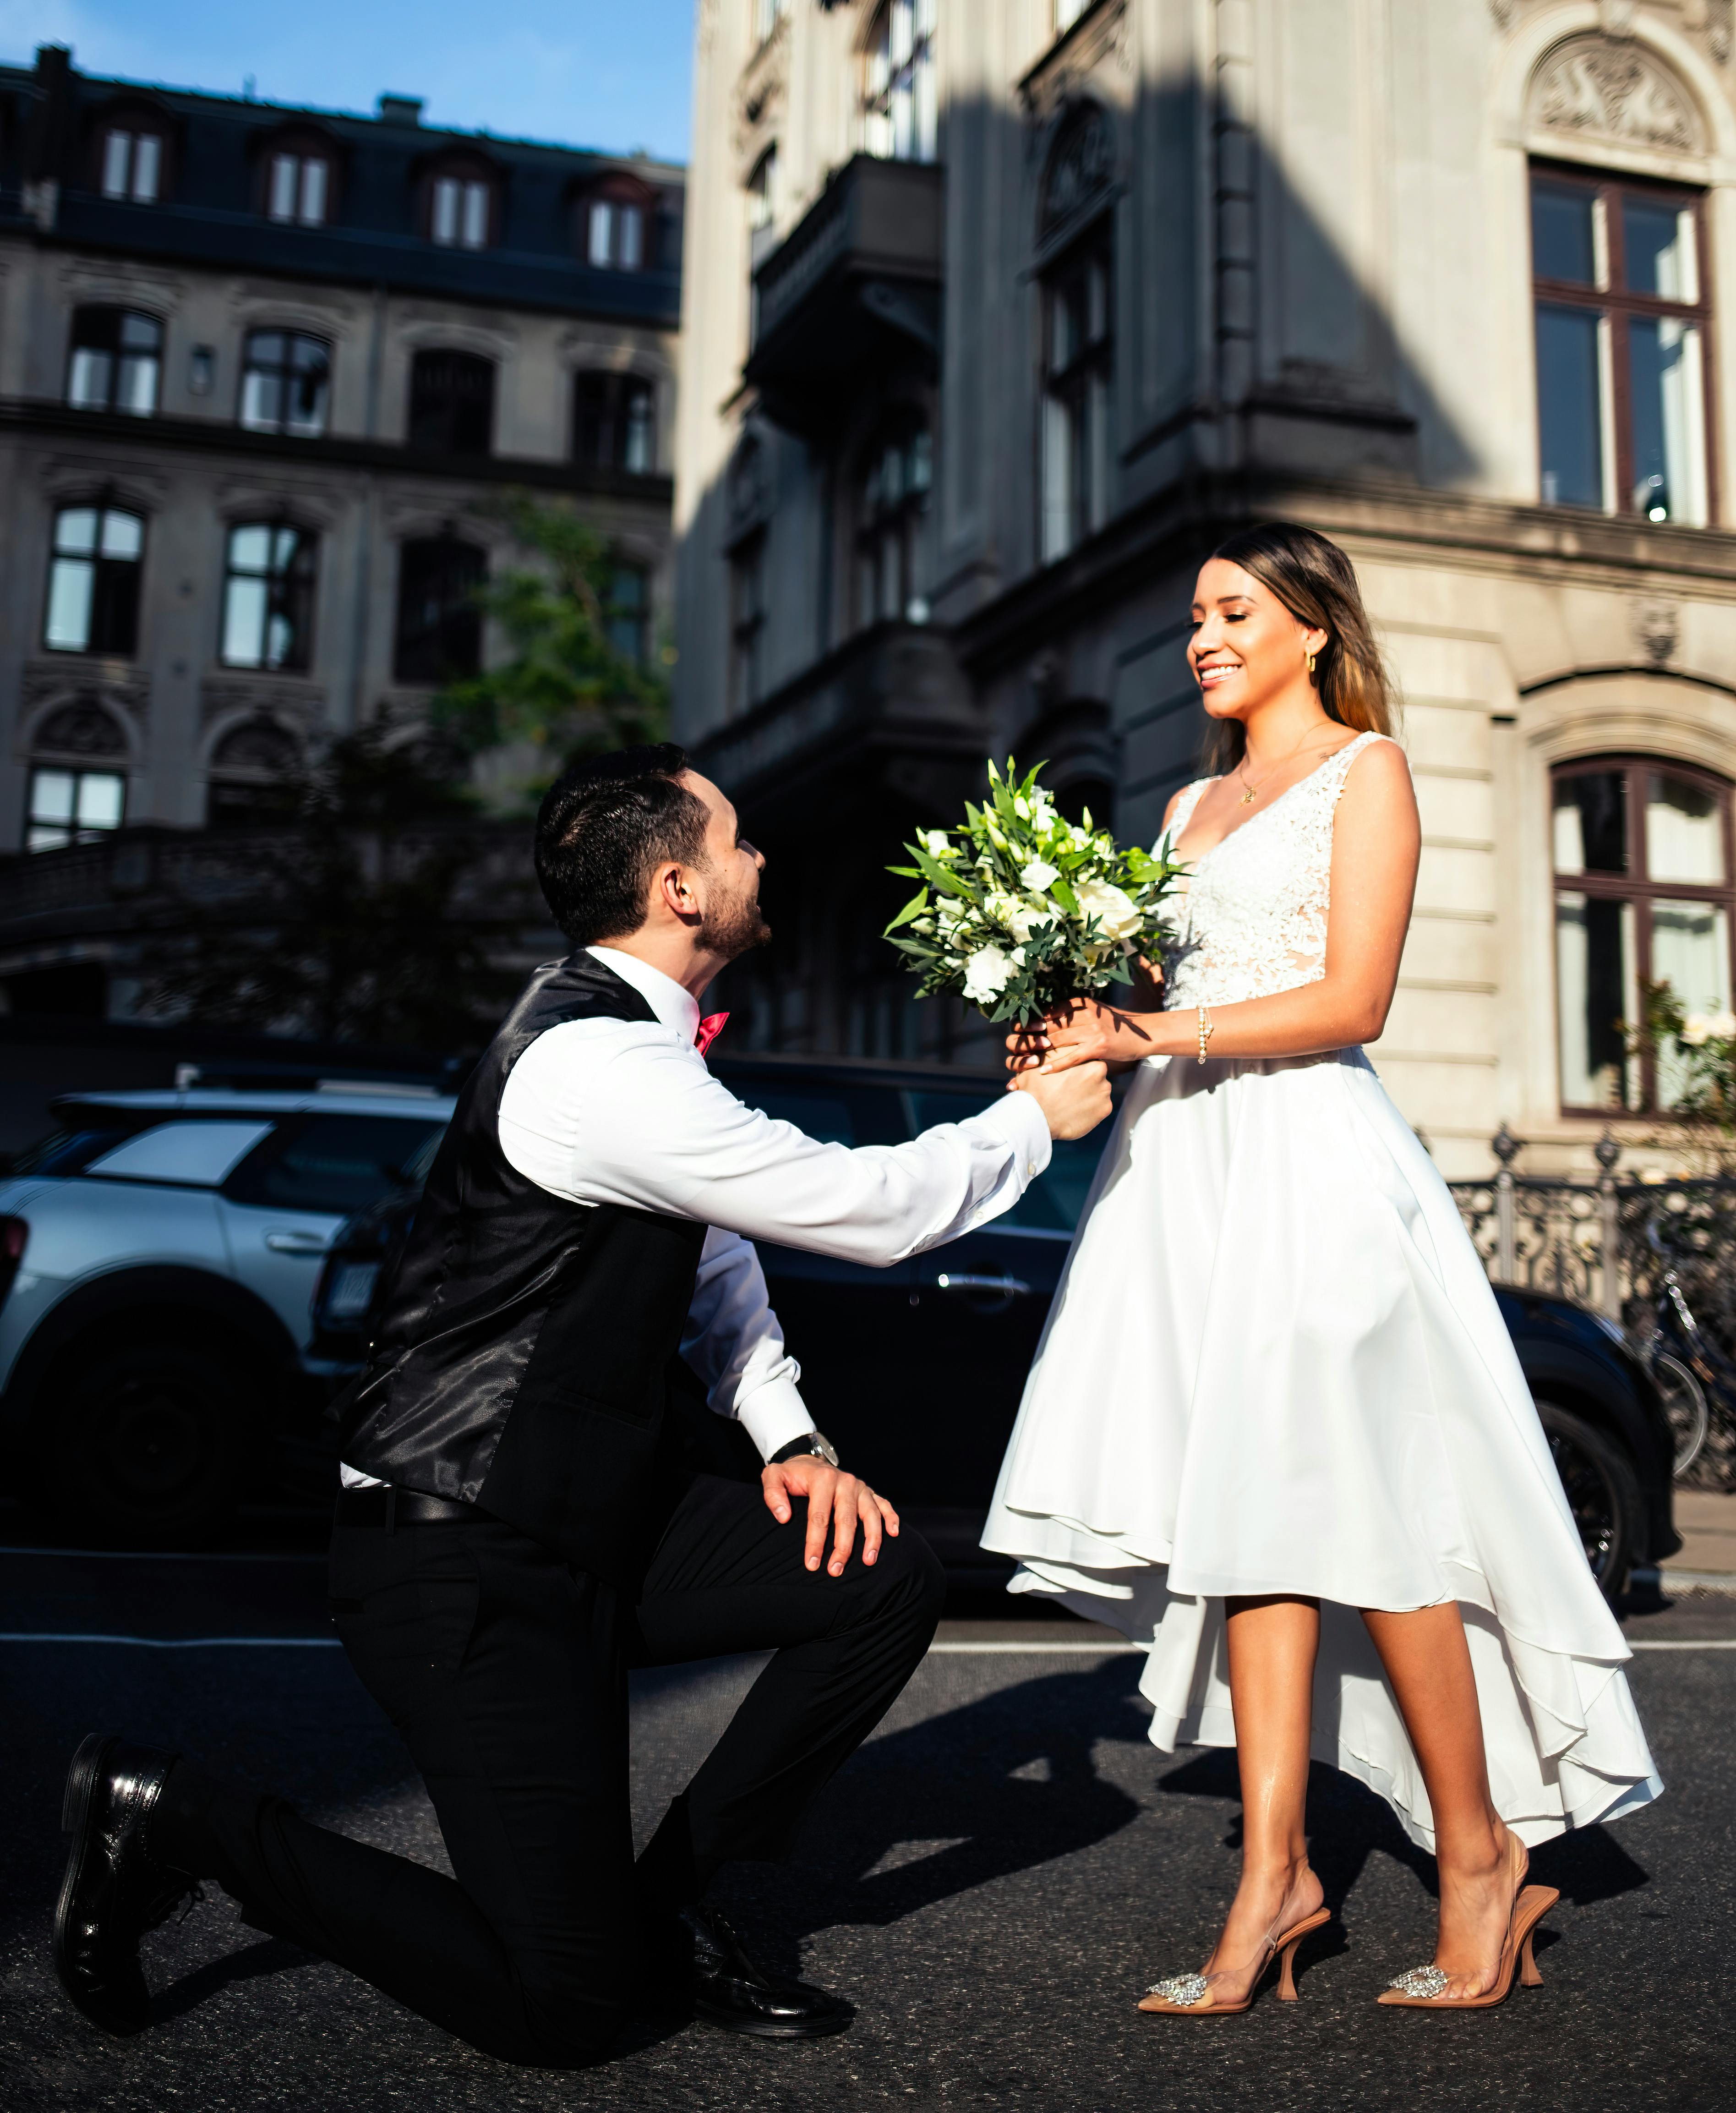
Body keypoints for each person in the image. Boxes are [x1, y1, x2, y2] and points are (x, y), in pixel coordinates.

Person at [54, 744, 1110, 2064]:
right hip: (464, 1556)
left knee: (881, 1576)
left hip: (595, 1519)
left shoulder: (645, 1058)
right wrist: (1029, 1117)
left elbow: (720, 1269)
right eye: (738, 841)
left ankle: (667, 1910)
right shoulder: (591, 1065)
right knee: (565, 2010)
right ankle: (180, 1818)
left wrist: (790, 1440)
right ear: (678, 888)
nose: (762, 858)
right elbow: (868, 1209)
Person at [983, 522, 1661, 2014]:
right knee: (1251, 1524)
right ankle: (1272, 1878)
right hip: (1190, 1172)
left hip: (1313, 1168)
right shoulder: (1184, 804)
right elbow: (1167, 988)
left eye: (1232, 612)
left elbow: (1352, 996)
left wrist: (1147, 1034)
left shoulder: (1371, 771)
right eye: (1195, 619)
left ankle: (1481, 1853)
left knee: (1371, 1506)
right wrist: (1063, 1007)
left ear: (1309, 626)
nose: (1203, 638)